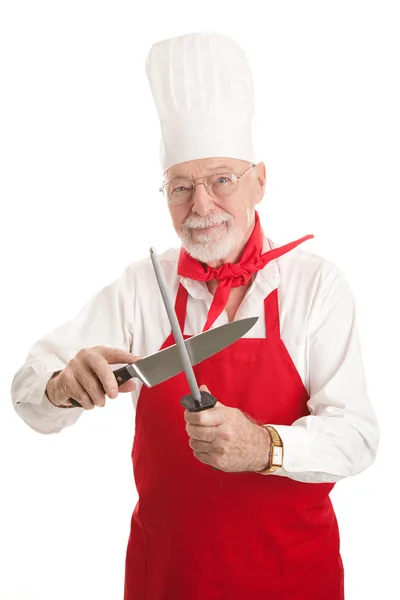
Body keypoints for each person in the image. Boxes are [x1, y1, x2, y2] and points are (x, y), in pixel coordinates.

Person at [11, 32, 379, 600]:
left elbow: (356, 438)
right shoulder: (144, 284)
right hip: (168, 580)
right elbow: (29, 391)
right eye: (181, 187)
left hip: (292, 580)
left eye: (221, 180)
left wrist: (265, 447)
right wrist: (65, 385)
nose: (201, 206)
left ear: (260, 180)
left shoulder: (317, 286)